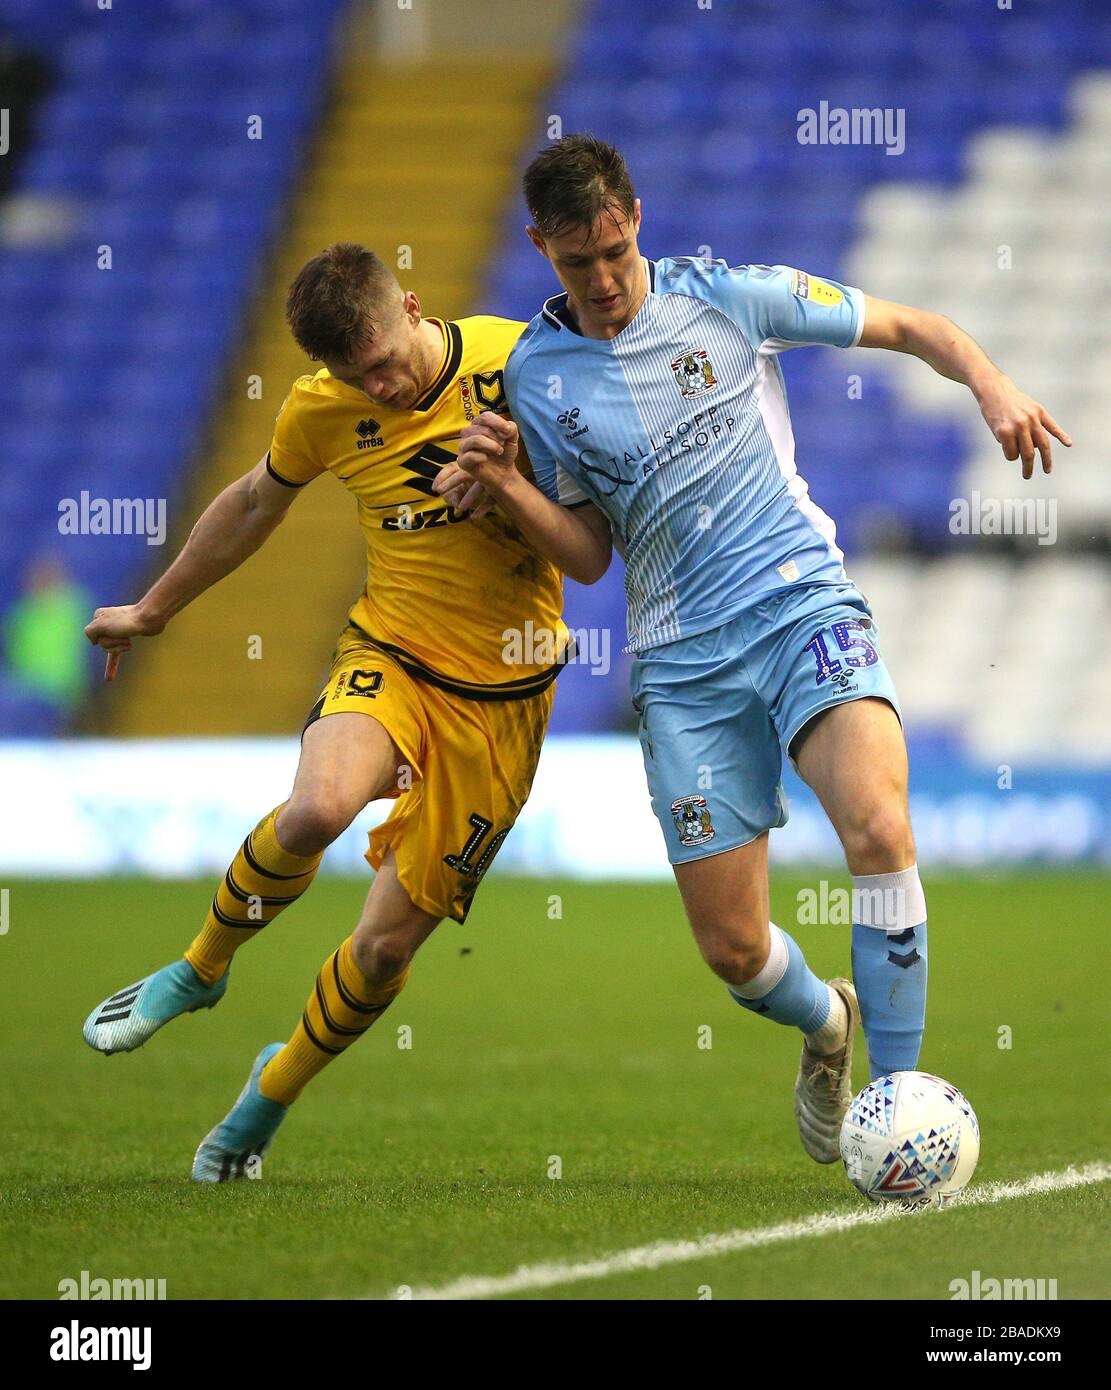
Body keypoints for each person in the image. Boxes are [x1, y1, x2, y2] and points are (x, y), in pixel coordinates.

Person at [439, 134, 1070, 1165]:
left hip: (798, 606)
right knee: (733, 949)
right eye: (573, 262)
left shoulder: (728, 297)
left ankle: (898, 1106)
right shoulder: (537, 379)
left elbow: (910, 323)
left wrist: (988, 384)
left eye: (611, 250)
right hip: (683, 667)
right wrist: (509, 488)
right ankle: (827, 1022)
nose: (601, 280)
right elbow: (589, 557)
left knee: (876, 823)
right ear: (538, 248)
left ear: (635, 217)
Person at [82, 243, 580, 1181]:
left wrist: (513, 486)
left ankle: (266, 1099)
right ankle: (200, 968)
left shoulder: (518, 364)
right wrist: (153, 609)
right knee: (317, 806)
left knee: (385, 949)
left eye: (387, 360)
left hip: (506, 697)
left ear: (416, 306)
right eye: (358, 375)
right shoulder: (321, 405)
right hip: (389, 653)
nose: (381, 386)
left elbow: (597, 518)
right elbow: (250, 504)